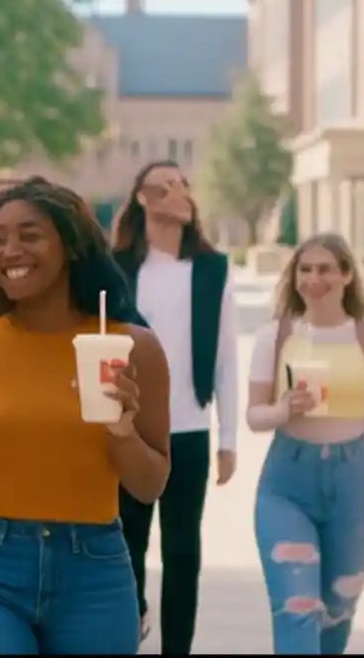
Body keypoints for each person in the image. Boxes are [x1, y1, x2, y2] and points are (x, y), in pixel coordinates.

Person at [0, 176, 171, 654]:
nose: (10, 251)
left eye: (29, 236)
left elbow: (149, 485)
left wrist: (120, 429)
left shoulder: (133, 347)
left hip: (94, 570)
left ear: (70, 246)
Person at [245, 232, 364, 654]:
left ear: (347, 275)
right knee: (297, 609)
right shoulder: (276, 335)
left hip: (353, 485)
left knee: (335, 617)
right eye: (305, 269)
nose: (314, 278)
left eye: (325, 269)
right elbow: (254, 414)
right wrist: (283, 409)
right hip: (287, 485)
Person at [110, 159, 238, 652]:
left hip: (190, 428)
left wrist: (227, 439)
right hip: (129, 427)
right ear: (142, 197)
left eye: (184, 183)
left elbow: (226, 354)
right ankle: (128, 630)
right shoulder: (119, 269)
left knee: (184, 551)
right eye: (164, 186)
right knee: (127, 545)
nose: (178, 193)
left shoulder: (210, 270)